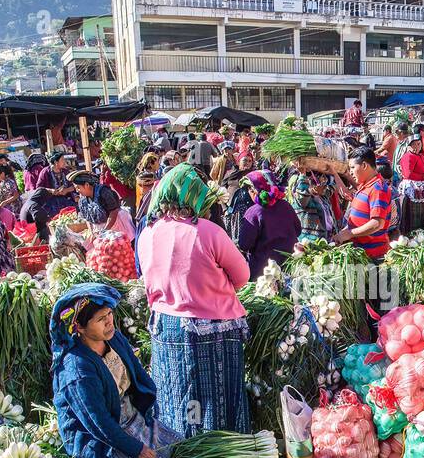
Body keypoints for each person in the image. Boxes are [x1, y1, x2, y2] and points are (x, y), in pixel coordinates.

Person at [51, 284, 181, 458]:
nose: (109, 321)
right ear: (79, 327)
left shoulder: (113, 339)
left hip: (127, 416)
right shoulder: (77, 368)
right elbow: (97, 423)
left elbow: (135, 375)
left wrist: (146, 414)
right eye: (100, 319)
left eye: (109, 314)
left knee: (177, 445)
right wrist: (136, 448)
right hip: (95, 437)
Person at [137, 164, 251, 436]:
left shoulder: (148, 233)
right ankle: (214, 451)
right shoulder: (207, 231)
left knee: (183, 396)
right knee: (213, 398)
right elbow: (242, 276)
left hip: (167, 330)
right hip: (210, 333)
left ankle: (184, 446)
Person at [237, 170, 299, 280]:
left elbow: (244, 244)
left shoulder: (254, 212)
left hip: (264, 274)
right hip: (290, 266)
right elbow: (298, 230)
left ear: (254, 191)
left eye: (249, 190)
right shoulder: (286, 206)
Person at [334, 147, 393, 261]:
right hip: (361, 254)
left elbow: (377, 223)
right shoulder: (364, 186)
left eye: (352, 167)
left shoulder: (378, 189)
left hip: (373, 256)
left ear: (364, 166)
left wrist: (349, 233)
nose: (350, 172)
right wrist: (344, 232)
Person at [70, 169, 134, 240]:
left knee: (125, 246)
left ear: (87, 185)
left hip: (117, 224)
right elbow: (87, 219)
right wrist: (92, 232)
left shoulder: (103, 192)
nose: (77, 191)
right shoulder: (82, 201)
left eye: (78, 188)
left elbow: (113, 211)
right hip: (102, 230)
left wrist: (105, 231)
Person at [397, 135, 424, 234]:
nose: (417, 146)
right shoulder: (408, 156)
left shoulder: (421, 155)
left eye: (418, 144)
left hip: (423, 189)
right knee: (414, 214)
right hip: (413, 189)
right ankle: (412, 234)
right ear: (409, 146)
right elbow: (408, 174)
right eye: (414, 144)